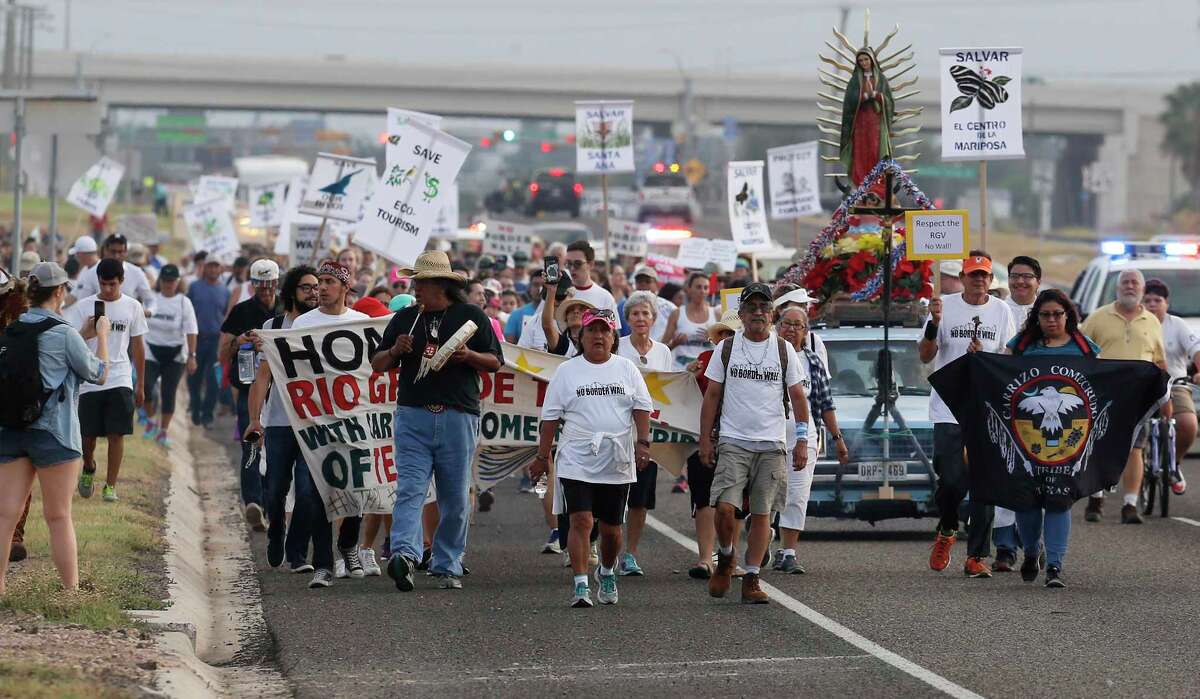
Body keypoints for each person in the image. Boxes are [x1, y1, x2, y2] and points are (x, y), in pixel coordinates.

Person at [372, 251, 503, 592]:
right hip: (413, 415)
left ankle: (447, 562)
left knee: (456, 496)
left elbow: (495, 361)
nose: (415, 288)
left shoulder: (470, 316)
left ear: (440, 285)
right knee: (410, 489)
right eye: (415, 282)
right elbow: (377, 363)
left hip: (458, 416)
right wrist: (395, 351)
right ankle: (404, 555)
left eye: (421, 282)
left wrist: (468, 355)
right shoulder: (404, 319)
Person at [529, 308, 652, 607]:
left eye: (604, 331)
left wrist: (643, 444)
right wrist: (542, 456)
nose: (598, 336)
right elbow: (550, 418)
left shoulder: (627, 369)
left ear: (613, 337)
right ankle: (581, 585)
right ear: (580, 337)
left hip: (616, 457)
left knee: (611, 530)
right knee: (581, 520)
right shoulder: (566, 372)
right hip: (576, 456)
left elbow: (642, 408)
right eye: (592, 331)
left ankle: (607, 571)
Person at [0, 262, 109, 595]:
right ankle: (70, 591)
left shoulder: (13, 328)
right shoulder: (63, 333)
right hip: (55, 433)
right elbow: (98, 373)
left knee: (5, 516)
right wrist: (101, 336)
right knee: (58, 516)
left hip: (13, 430)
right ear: (60, 291)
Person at [699, 283, 810, 604]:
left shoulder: (783, 350)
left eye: (764, 307)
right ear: (742, 314)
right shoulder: (727, 349)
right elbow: (712, 396)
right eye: (752, 308)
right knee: (723, 508)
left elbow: (799, 399)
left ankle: (752, 577)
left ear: (772, 314)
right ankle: (726, 555)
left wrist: (801, 442)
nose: (758, 313)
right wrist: (705, 439)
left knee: (763, 514)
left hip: (772, 445)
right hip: (734, 441)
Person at [919, 252, 1016, 578]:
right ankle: (947, 527)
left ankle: (976, 555)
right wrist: (933, 324)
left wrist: (984, 358)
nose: (978, 280)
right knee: (951, 478)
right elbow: (925, 355)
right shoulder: (943, 306)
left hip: (985, 406)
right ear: (962, 277)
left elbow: (1008, 357)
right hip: (948, 403)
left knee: (983, 481)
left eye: (983, 276)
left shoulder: (1001, 312)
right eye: (972, 275)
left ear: (991, 280)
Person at [1006, 289, 1102, 588]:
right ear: (1037, 317)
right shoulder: (1021, 345)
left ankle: (1055, 567)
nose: (1051, 320)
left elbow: (1099, 384)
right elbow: (1001, 378)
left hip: (1070, 440)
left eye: (1057, 314)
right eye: (1045, 314)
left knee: (1060, 499)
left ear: (1067, 315)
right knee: (1027, 501)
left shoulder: (1084, 348)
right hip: (1026, 437)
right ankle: (1033, 551)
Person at [288, 261, 373, 588]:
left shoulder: (363, 323)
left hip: (355, 422)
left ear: (344, 288)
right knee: (312, 495)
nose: (320, 288)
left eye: (328, 282)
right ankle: (322, 564)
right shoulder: (303, 323)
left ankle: (348, 544)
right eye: (319, 282)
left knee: (357, 489)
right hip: (315, 424)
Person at [246, 265, 320, 575]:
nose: (314, 293)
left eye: (317, 287)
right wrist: (254, 420)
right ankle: (276, 528)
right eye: (307, 287)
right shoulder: (273, 326)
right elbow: (262, 378)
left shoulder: (321, 327)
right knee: (275, 489)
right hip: (278, 422)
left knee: (307, 490)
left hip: (313, 423)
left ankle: (298, 552)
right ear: (291, 292)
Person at [1080, 269, 1168, 525]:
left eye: (1135, 283)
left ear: (1142, 289)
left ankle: (1130, 505)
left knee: (1135, 448)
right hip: (1104, 394)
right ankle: (1095, 498)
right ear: (1117, 288)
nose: (1130, 286)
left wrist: (1165, 397)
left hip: (1138, 397)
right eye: (1125, 282)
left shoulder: (1151, 320)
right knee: (1099, 445)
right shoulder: (1098, 317)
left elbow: (1159, 360)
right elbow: (1082, 352)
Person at [64, 258, 148, 503]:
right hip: (91, 378)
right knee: (87, 438)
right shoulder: (83, 306)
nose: (108, 289)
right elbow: (72, 341)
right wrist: (86, 331)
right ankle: (89, 466)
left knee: (117, 433)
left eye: (113, 284)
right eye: (104, 284)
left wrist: (140, 383)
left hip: (121, 377)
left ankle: (111, 485)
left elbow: (138, 347)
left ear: (121, 281)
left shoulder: (133, 307)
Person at [773, 306, 847, 574]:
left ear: (806, 332)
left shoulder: (813, 361)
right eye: (786, 324)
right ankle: (761, 543)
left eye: (797, 325)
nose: (791, 330)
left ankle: (788, 551)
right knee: (766, 494)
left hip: (804, 438)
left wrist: (837, 438)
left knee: (797, 494)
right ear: (777, 326)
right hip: (768, 436)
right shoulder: (768, 357)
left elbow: (826, 403)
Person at [613, 291, 674, 577]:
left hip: (648, 435)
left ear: (653, 318)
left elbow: (672, 391)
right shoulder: (616, 346)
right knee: (612, 494)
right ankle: (604, 550)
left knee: (640, 498)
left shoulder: (663, 352)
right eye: (634, 313)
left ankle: (630, 554)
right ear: (627, 319)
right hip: (616, 430)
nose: (640, 318)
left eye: (645, 313)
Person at [219, 259, 282, 530]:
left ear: (277, 284)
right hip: (248, 389)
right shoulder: (241, 311)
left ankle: (271, 504)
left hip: (280, 390)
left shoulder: (286, 311)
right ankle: (253, 502)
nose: (266, 291)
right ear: (252, 285)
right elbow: (222, 353)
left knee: (278, 449)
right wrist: (240, 341)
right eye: (260, 286)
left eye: (270, 286)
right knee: (251, 443)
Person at [989, 254, 1042, 572]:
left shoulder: (1050, 312)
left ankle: (1034, 544)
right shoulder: (997, 311)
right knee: (1006, 474)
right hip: (1005, 406)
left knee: (1039, 478)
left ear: (1038, 280)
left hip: (1040, 409)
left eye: (1027, 276)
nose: (1020, 282)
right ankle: (1005, 548)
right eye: (1015, 276)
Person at [684, 309, 740, 579]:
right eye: (724, 334)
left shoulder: (753, 361)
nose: (728, 339)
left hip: (739, 438)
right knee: (703, 498)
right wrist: (688, 377)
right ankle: (706, 558)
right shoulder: (704, 360)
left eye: (733, 334)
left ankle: (730, 557)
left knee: (734, 500)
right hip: (705, 437)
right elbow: (685, 395)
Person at [1142, 278, 1200, 493]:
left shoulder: (1178, 325)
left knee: (1188, 424)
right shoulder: (1136, 323)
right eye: (1147, 300)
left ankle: (1173, 464)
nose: (1152, 304)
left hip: (1174, 384)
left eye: (1157, 300)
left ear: (1166, 303)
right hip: (1140, 387)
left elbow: (1196, 350)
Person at [141, 265, 198, 448]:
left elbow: (191, 330)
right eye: (165, 281)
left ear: (177, 282)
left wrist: (192, 355)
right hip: (151, 349)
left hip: (175, 353)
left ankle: (163, 431)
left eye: (171, 281)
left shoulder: (184, 302)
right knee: (147, 386)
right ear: (160, 281)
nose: (168, 284)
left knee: (168, 392)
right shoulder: (152, 299)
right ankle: (150, 420)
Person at [840, 47, 894, 188]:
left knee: (875, 151)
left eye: (866, 59)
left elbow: (889, 102)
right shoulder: (854, 81)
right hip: (860, 124)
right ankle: (860, 185)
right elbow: (849, 102)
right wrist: (863, 97)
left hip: (876, 123)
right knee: (860, 153)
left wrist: (876, 95)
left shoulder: (881, 79)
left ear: (872, 60)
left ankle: (877, 185)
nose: (864, 63)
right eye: (860, 60)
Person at [186, 258, 230, 427]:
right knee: (194, 379)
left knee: (213, 381)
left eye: (216, 266)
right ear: (205, 268)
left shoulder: (225, 292)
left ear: (221, 269)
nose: (213, 269)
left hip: (215, 341)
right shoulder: (195, 287)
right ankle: (195, 410)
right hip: (196, 339)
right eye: (210, 266)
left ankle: (207, 415)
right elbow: (187, 312)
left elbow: (226, 316)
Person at [70, 234, 154, 311]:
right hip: (100, 323)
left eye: (120, 252)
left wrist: (148, 312)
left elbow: (150, 299)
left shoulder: (136, 272)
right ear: (105, 250)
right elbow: (82, 302)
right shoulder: (92, 272)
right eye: (113, 251)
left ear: (126, 252)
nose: (116, 255)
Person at [663, 272, 717, 369]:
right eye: (698, 287)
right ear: (688, 289)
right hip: (681, 370)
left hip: (706, 371)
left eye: (706, 288)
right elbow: (662, 348)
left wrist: (713, 339)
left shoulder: (716, 314)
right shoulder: (677, 314)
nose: (702, 291)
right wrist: (674, 344)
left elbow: (726, 345)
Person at [618, 265, 675, 339]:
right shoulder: (623, 306)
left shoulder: (668, 307)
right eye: (639, 281)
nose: (643, 284)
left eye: (648, 281)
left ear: (657, 284)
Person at [563, 240, 617, 312]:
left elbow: (613, 323)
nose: (572, 268)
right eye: (569, 263)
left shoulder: (605, 297)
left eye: (578, 263)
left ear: (591, 264)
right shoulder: (559, 294)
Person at [505, 270, 543, 343]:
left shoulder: (558, 314)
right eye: (536, 284)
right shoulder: (516, 314)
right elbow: (508, 347)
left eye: (543, 285)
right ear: (529, 288)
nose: (539, 289)